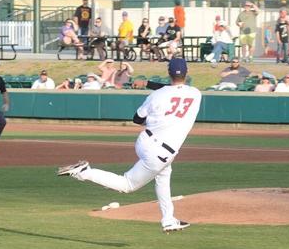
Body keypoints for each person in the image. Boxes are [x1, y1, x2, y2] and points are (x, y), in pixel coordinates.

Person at [58, 58, 200, 233]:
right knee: (127, 185)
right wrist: (149, 85)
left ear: (168, 72)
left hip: (147, 141)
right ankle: (84, 172)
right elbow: (173, 91)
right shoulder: (195, 94)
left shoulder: (157, 95)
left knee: (164, 176)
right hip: (159, 152)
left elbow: (137, 119)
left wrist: (147, 87)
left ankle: (168, 219)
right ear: (187, 72)